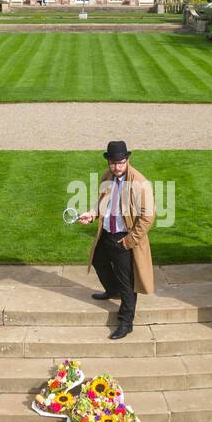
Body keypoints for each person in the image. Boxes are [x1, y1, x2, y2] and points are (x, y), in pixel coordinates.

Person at [76, 141, 155, 340]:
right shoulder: (107, 175)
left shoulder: (139, 183)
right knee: (98, 260)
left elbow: (148, 217)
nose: (116, 167)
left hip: (124, 238)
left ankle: (126, 323)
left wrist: (129, 241)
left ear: (127, 160)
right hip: (107, 233)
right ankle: (112, 290)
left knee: (127, 282)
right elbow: (102, 200)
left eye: (120, 163)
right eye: (113, 163)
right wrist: (92, 213)